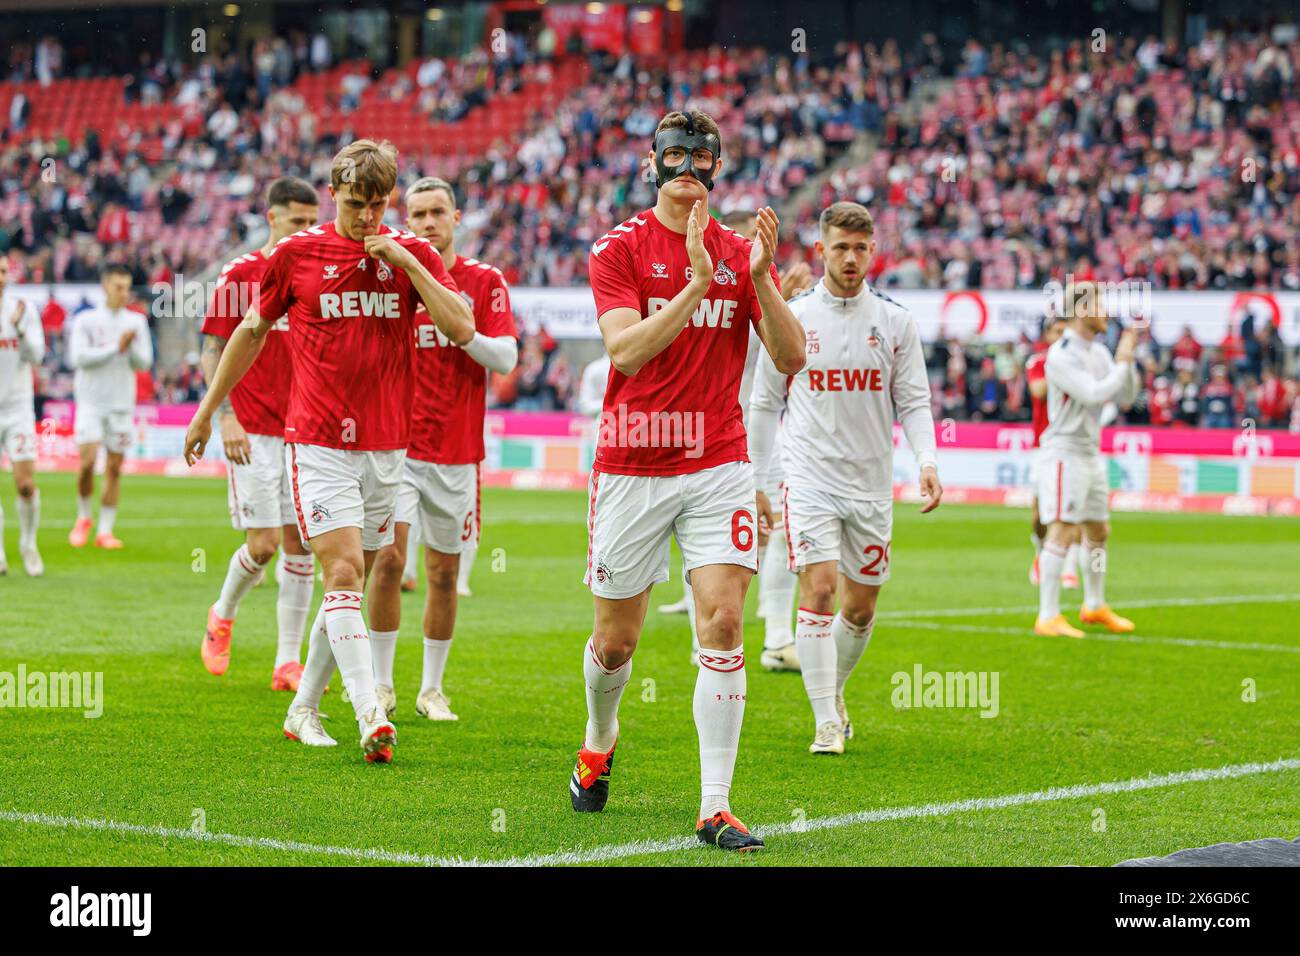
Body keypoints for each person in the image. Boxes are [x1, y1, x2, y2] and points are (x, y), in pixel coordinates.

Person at [183, 140, 474, 762]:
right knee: (342, 572)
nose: (367, 216)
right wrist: (210, 409)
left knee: (354, 578)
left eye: (377, 204)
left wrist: (411, 264)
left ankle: (303, 709)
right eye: (355, 203)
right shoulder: (297, 253)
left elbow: (462, 329)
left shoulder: (410, 252)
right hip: (316, 440)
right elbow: (251, 330)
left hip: (387, 445)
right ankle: (371, 712)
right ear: (334, 193)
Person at [571, 109, 806, 852]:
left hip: (718, 463)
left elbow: (792, 356)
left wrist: (760, 281)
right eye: (672, 153)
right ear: (651, 163)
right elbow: (627, 353)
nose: (685, 166)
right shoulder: (620, 248)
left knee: (725, 624)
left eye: (698, 155)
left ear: (714, 167)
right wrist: (697, 287)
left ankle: (714, 805)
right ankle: (599, 738)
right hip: (633, 463)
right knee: (616, 643)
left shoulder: (743, 252)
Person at [750, 201, 942, 755]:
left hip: (871, 485)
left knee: (861, 607)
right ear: (821, 250)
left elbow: (915, 401)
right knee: (821, 588)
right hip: (808, 478)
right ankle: (824, 722)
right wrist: (763, 479)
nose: (850, 258)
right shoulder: (793, 316)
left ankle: (832, 693)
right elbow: (764, 403)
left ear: (873, 251)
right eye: (840, 247)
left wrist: (927, 461)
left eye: (860, 247)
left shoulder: (896, 322)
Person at [368, 177, 519, 721]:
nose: (428, 223)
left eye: (437, 212)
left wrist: (463, 334)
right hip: (397, 448)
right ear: (405, 222)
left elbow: (504, 359)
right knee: (388, 561)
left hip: (457, 454)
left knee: (444, 574)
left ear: (456, 218)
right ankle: (382, 686)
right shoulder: (392, 280)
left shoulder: (484, 281)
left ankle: (431, 689)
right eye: (417, 215)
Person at [657, 208, 812, 674]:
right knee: (703, 541)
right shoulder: (705, 279)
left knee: (786, 524)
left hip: (761, 427)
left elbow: (784, 354)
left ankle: (779, 637)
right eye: (742, 237)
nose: (746, 246)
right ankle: (701, 640)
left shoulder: (759, 278)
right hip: (712, 431)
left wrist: (779, 300)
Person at [197, 177, 321, 689]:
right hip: (251, 429)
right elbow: (213, 349)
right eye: (297, 222)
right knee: (265, 544)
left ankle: (287, 662)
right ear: (271, 219)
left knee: (302, 547)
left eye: (313, 222)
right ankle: (222, 614)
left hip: (308, 433)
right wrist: (222, 412)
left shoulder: (320, 272)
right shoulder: (243, 273)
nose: (307, 232)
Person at [1035, 282, 1138, 638]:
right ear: (1082, 310)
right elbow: (1094, 394)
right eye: (1099, 305)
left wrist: (1127, 360)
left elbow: (1125, 395)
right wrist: (1122, 360)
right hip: (1065, 451)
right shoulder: (1060, 353)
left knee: (1098, 530)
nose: (1106, 312)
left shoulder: (1098, 352)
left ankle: (1093, 605)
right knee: (1063, 528)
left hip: (1090, 451)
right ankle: (1047, 614)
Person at [68, 264, 152, 550]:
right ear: (105, 286)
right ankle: (83, 517)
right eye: (119, 287)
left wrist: (129, 347)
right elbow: (78, 359)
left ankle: (105, 530)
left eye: (127, 288)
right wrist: (116, 347)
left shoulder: (136, 322)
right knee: (87, 463)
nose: (124, 293)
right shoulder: (85, 320)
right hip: (90, 403)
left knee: (115, 468)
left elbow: (145, 363)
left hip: (121, 406)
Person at [1026, 314, 1081, 589]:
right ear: (1048, 336)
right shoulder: (1038, 363)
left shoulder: (1079, 364)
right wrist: (1060, 368)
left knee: (1074, 510)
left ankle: (1069, 568)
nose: (1061, 337)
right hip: (1043, 447)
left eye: (1065, 332)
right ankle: (1040, 553)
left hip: (1072, 445)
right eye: (1056, 332)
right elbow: (1037, 390)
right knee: (1039, 514)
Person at [0, 259, 45, 576]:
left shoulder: (23, 309)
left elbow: (37, 356)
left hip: (17, 407)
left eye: (3, 271)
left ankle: (28, 544)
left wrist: (17, 328)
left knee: (25, 484)